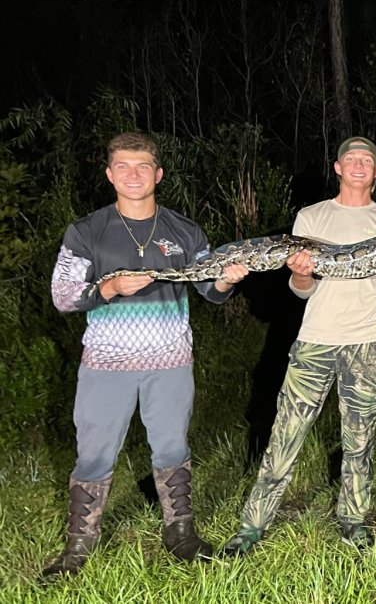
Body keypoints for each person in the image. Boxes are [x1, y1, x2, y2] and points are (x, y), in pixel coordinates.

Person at [45, 132, 249, 578]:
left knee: (172, 447)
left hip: (170, 363)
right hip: (106, 364)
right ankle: (78, 547)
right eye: (123, 166)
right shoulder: (86, 231)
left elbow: (209, 290)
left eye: (142, 167)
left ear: (158, 174)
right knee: (93, 454)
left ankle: (182, 536)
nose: (133, 175)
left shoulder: (184, 231)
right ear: (109, 174)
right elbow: (62, 295)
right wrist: (108, 287)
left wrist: (227, 279)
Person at [222, 136, 376, 555]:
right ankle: (252, 525)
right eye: (351, 158)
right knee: (286, 433)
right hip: (315, 340)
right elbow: (302, 290)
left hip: (367, 341)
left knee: (360, 438)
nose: (358, 164)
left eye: (367, 160)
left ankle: (353, 519)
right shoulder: (311, 217)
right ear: (337, 168)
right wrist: (300, 272)